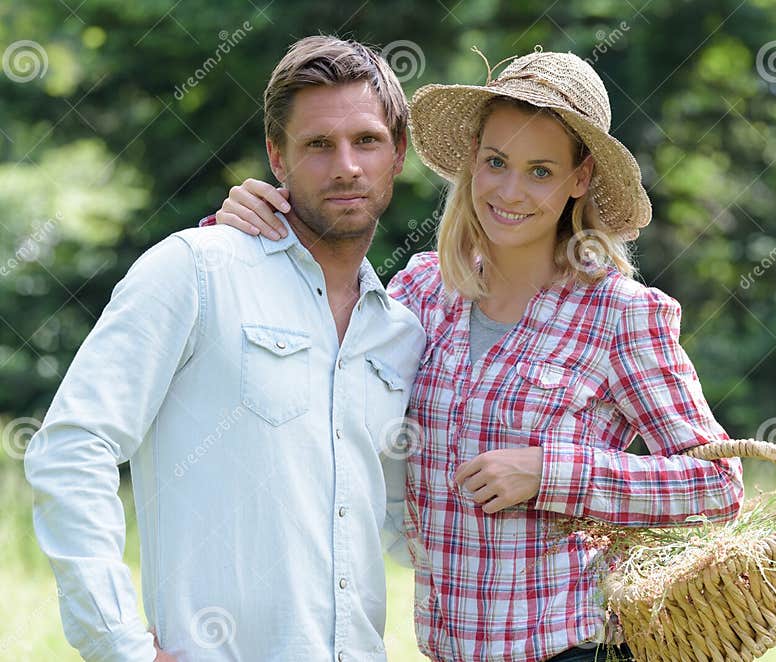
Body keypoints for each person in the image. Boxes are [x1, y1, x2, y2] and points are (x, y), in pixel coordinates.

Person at [211, 49, 744, 662]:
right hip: (446, 648)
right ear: (472, 163)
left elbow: (717, 485)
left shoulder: (620, 314)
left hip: (577, 646)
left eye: (541, 171)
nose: (510, 191)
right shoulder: (419, 295)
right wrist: (241, 236)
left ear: (580, 179)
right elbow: (304, 351)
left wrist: (551, 474)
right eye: (496, 162)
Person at [24, 36, 425, 661]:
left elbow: (408, 527)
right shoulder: (196, 270)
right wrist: (117, 646)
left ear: (398, 153)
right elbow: (73, 445)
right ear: (277, 156)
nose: (347, 165)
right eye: (319, 144)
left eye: (367, 140)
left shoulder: (401, 332)